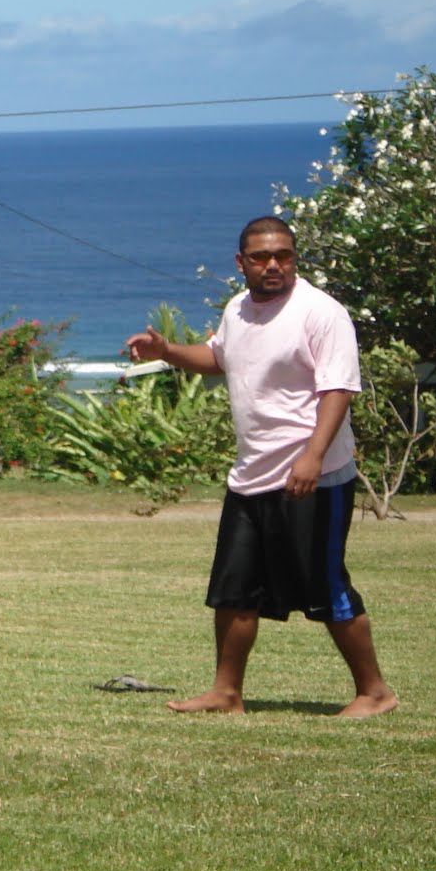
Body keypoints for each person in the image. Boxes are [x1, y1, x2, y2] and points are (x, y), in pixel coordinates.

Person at [127, 216, 398, 718]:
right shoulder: (238, 310)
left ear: (295, 258)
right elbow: (217, 357)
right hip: (252, 473)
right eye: (261, 257)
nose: (274, 265)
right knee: (234, 585)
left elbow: (339, 388)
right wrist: (167, 352)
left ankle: (375, 692)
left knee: (326, 583)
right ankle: (226, 693)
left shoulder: (322, 312)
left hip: (312, 476)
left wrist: (313, 456)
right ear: (241, 263)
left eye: (284, 256)